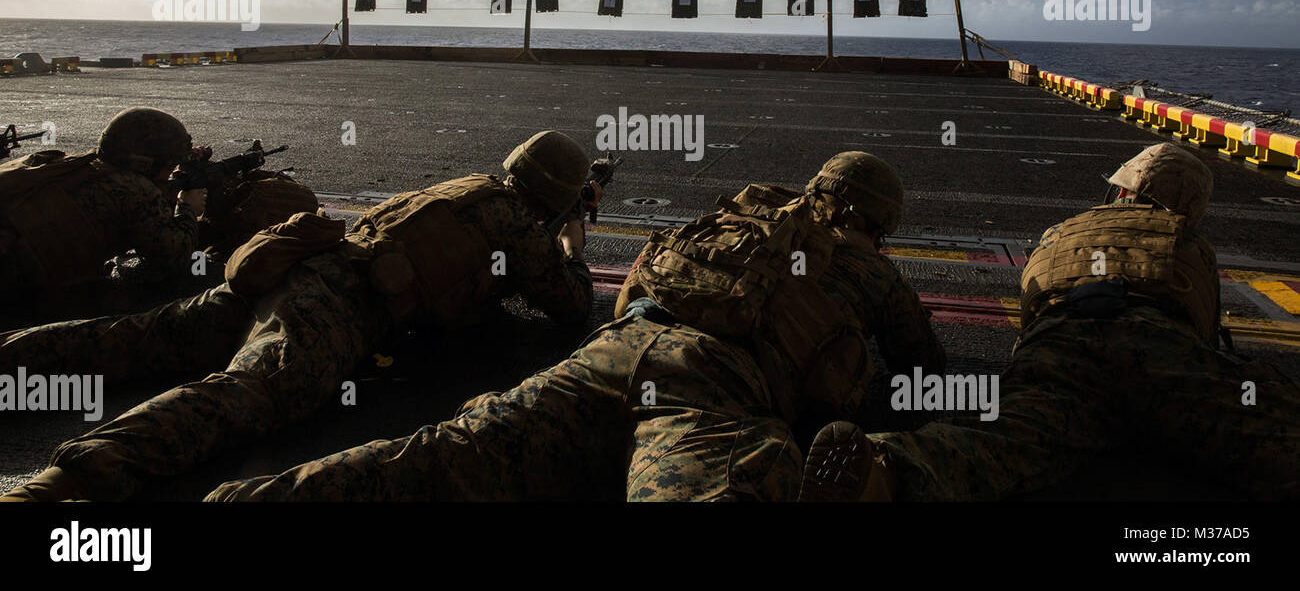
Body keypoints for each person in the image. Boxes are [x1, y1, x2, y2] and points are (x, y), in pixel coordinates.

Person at [203, 151, 946, 502]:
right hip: (715, 389)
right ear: (873, 219)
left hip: (616, 351)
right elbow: (924, 371)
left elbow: (611, 297)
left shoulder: (733, 217)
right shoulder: (872, 269)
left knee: (442, 456)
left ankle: (247, 499)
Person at [0, 130, 597, 501]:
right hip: (334, 307)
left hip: (293, 269)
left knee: (139, 337)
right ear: (558, 195)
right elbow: (569, 305)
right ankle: (69, 481)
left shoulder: (468, 188)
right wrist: (571, 238)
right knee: (248, 396)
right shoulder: (515, 224)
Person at [798, 142, 1300, 502]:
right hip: (1161, 345)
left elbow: (1032, 314)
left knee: (1001, 441)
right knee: (1266, 429)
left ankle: (884, 469)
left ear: (1119, 190)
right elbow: (1202, 333)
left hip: (1060, 347)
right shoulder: (1190, 243)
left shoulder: (1060, 233)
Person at [0, 107, 206, 298]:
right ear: (146, 163)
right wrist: (188, 208)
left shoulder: (86, 166)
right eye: (169, 165)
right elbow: (171, 258)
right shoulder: (136, 190)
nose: (171, 170)